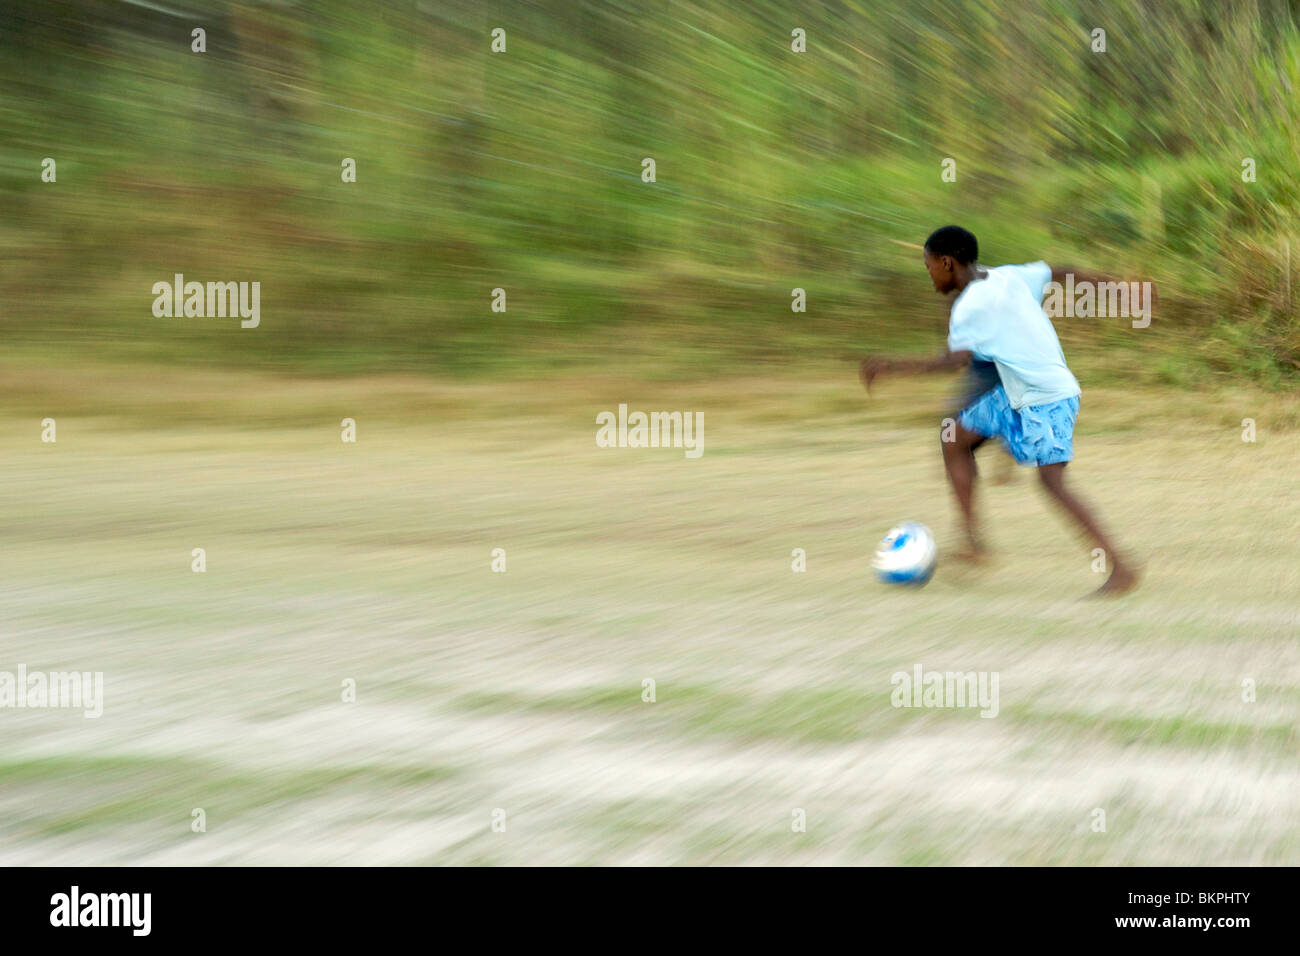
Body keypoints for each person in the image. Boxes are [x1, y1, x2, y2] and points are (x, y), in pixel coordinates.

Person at [861, 225, 1140, 595]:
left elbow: (955, 362)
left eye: (929, 267)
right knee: (953, 436)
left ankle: (1121, 569)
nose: (929, 275)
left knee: (1053, 484)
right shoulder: (1009, 275)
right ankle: (974, 544)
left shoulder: (968, 307)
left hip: (1047, 397)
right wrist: (1120, 289)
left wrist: (893, 367)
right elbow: (1062, 271)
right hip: (1016, 393)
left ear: (947, 262)